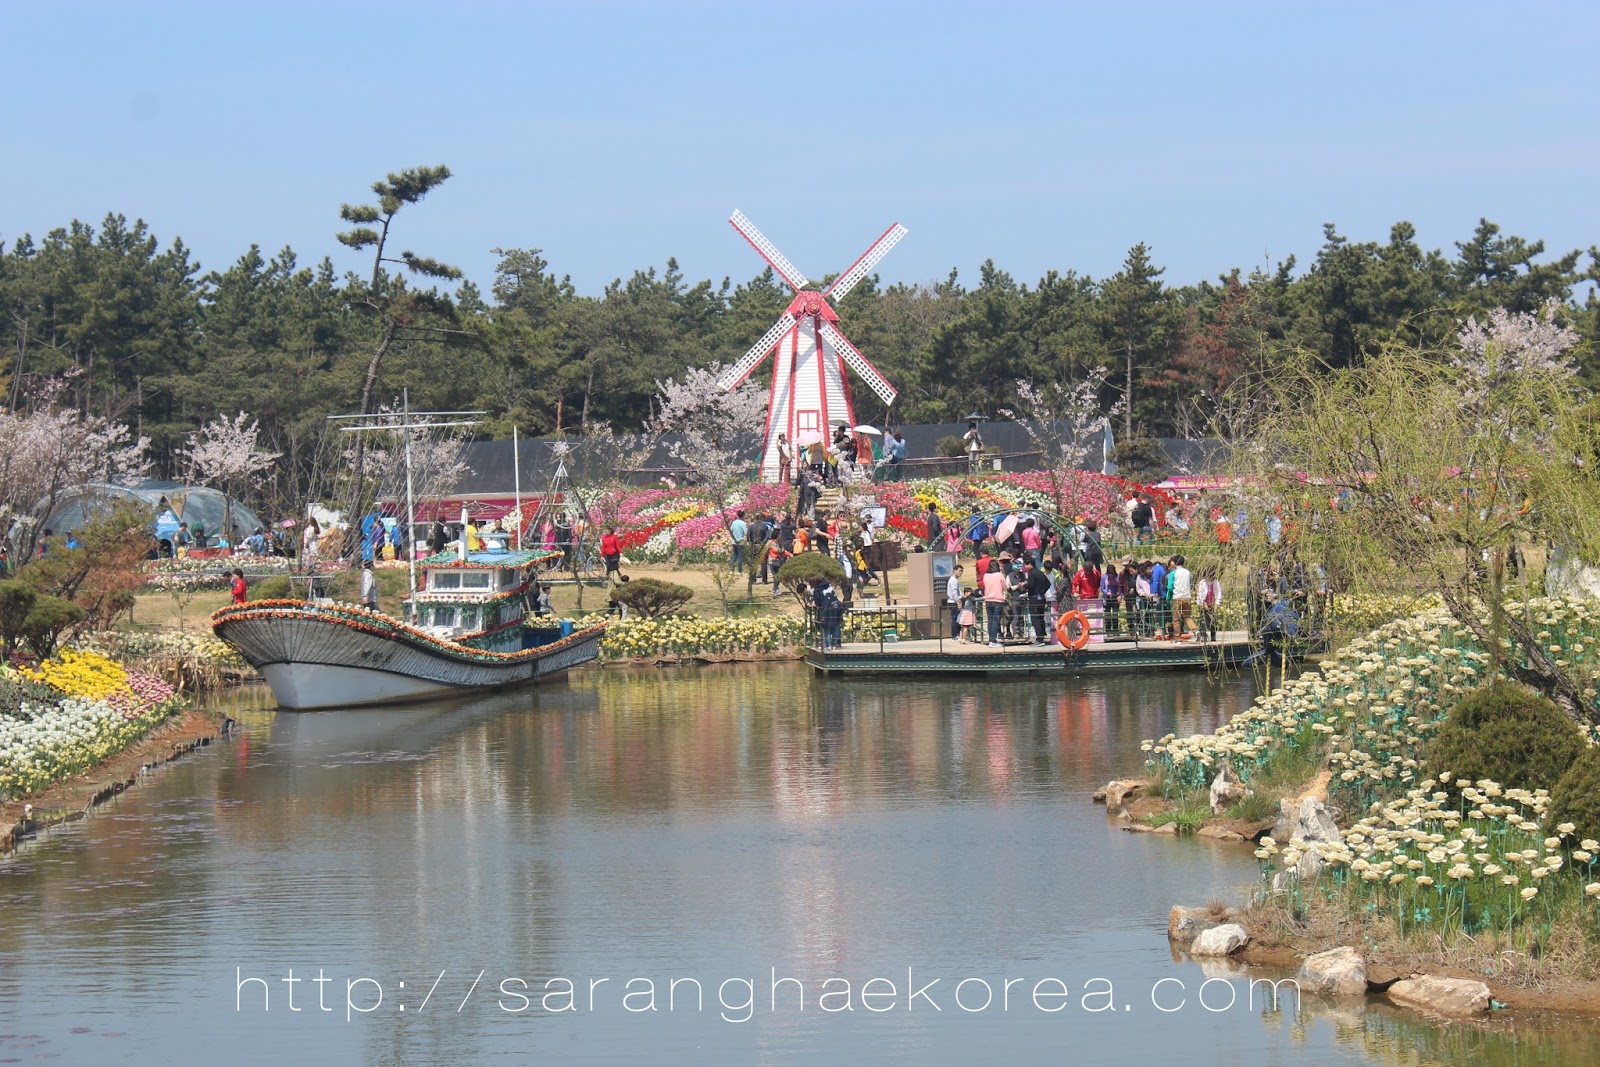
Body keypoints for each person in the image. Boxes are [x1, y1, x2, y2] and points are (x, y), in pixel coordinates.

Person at [1168, 554, 1194, 640]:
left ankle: (1177, 638)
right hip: (1187, 597)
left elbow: (1170, 587)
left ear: (1174, 563)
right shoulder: (1188, 572)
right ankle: (1196, 631)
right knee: (1187, 616)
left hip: (1177, 597)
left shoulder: (1173, 573)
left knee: (1176, 619)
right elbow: (1191, 584)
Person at [981, 560, 1006, 647]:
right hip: (998, 600)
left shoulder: (985, 575)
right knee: (996, 621)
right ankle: (993, 640)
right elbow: (1004, 587)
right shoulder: (1000, 575)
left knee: (990, 620)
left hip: (988, 599)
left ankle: (991, 638)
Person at [1196, 567, 1222, 643]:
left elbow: (1218, 593)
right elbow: (1200, 594)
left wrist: (1217, 603)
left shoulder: (1216, 582)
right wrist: (1203, 603)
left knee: (1213, 620)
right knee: (1203, 620)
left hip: (1212, 603)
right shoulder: (1202, 582)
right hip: (1204, 603)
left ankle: (1213, 636)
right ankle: (1203, 635)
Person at [945, 563, 964, 639]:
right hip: (953, 602)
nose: (960, 572)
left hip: (954, 601)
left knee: (957, 619)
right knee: (955, 619)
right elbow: (954, 593)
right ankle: (954, 636)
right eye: (959, 571)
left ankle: (957, 635)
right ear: (955, 571)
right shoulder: (953, 580)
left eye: (962, 571)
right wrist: (958, 602)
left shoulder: (954, 580)